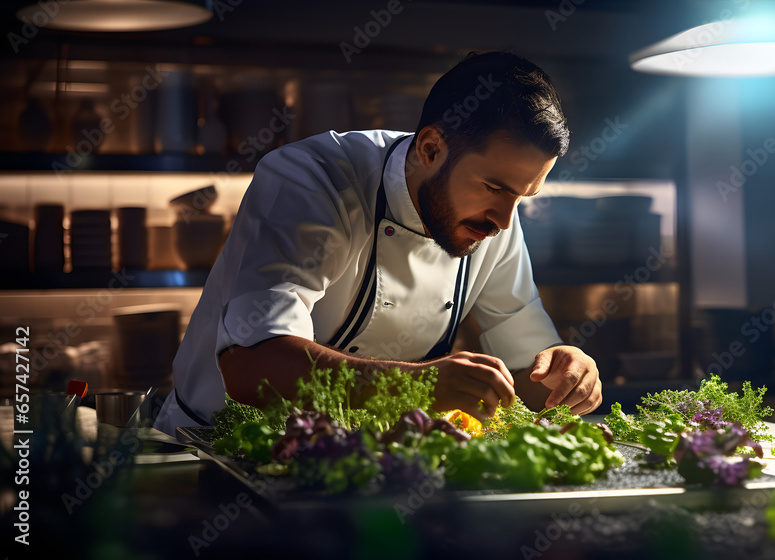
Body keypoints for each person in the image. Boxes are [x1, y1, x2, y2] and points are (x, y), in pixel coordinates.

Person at [154, 51, 603, 437]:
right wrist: (420, 386)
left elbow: (529, 372)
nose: (505, 222)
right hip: (213, 456)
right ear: (430, 148)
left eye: (522, 196)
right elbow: (252, 365)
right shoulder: (312, 179)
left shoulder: (494, 218)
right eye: (493, 187)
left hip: (363, 466)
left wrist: (566, 375)